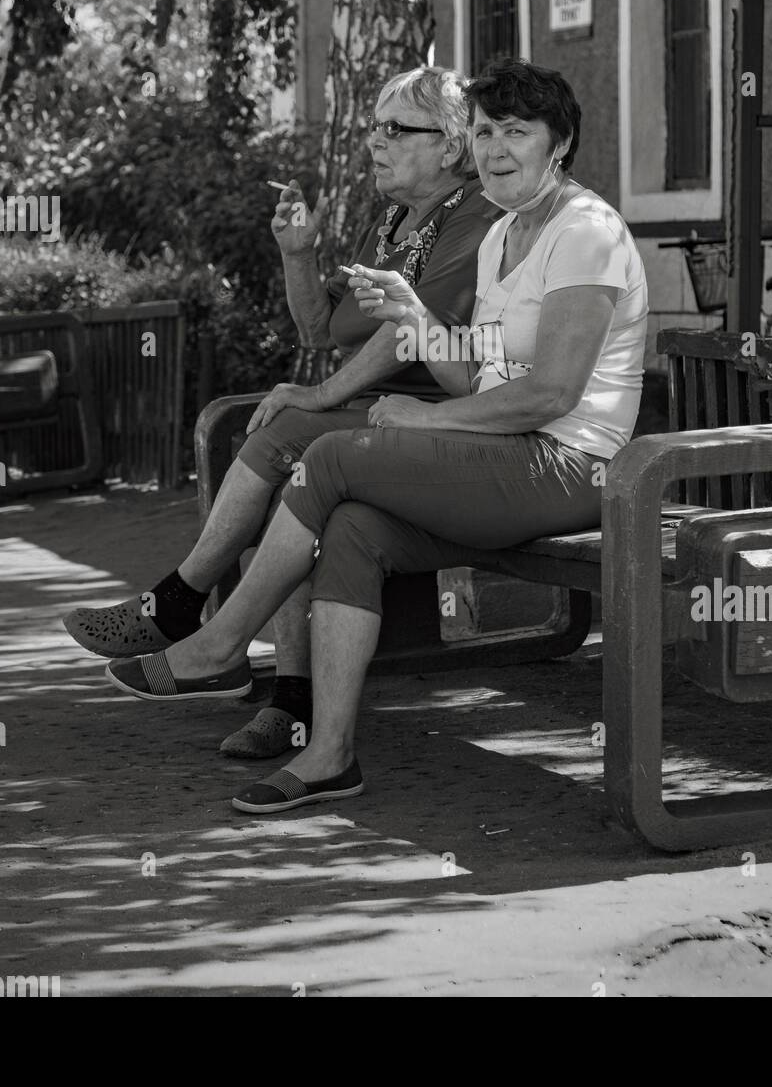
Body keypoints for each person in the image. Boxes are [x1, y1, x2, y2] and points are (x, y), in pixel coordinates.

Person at [104, 59, 650, 814]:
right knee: (356, 530)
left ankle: (221, 642)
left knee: (327, 454)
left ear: (559, 144)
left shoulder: (583, 231)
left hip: (575, 467)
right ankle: (328, 753)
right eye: (486, 130)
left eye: (516, 132)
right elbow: (477, 371)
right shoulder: (503, 236)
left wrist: (427, 418)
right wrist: (418, 321)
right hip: (506, 457)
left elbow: (550, 392)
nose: (495, 148)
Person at [62, 65, 496, 758]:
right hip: (374, 420)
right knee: (289, 483)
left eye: (395, 130)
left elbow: (409, 330)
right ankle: (287, 699)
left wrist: (320, 395)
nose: (375, 144)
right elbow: (321, 329)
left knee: (291, 432)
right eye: (372, 129)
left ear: (450, 146)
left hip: (440, 424)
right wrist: (299, 253)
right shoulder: (387, 226)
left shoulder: (475, 216)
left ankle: (183, 609)